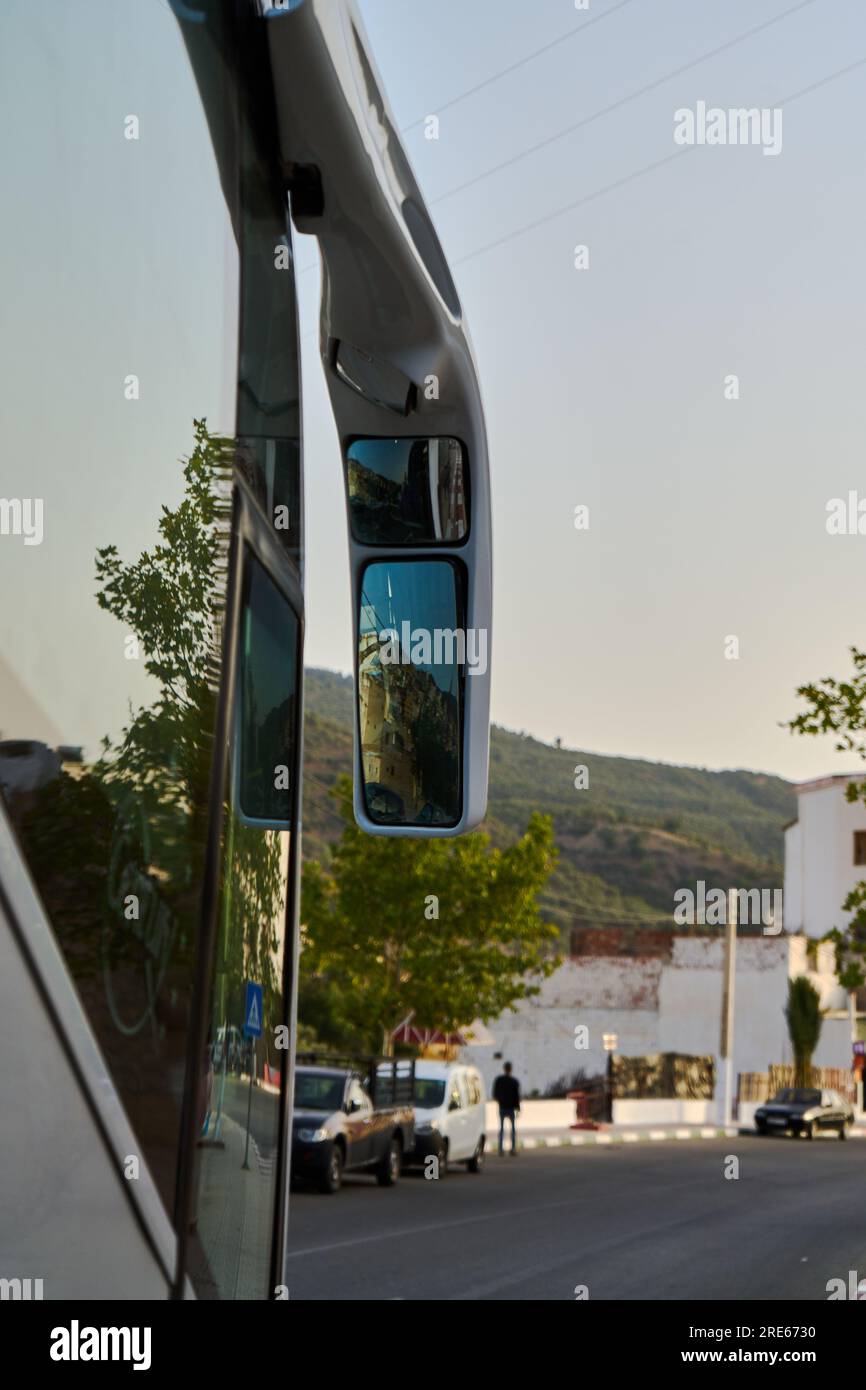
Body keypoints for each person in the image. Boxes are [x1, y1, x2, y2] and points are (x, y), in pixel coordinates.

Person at [493, 1061, 521, 1155]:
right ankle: (512, 1149)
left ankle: (500, 1150)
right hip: (511, 1108)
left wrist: (500, 1101)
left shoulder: (499, 1080)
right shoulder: (514, 1082)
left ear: (504, 1069)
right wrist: (518, 1108)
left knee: (501, 1129)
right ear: (511, 1069)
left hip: (502, 1107)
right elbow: (517, 1097)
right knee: (512, 1129)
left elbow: (495, 1094)